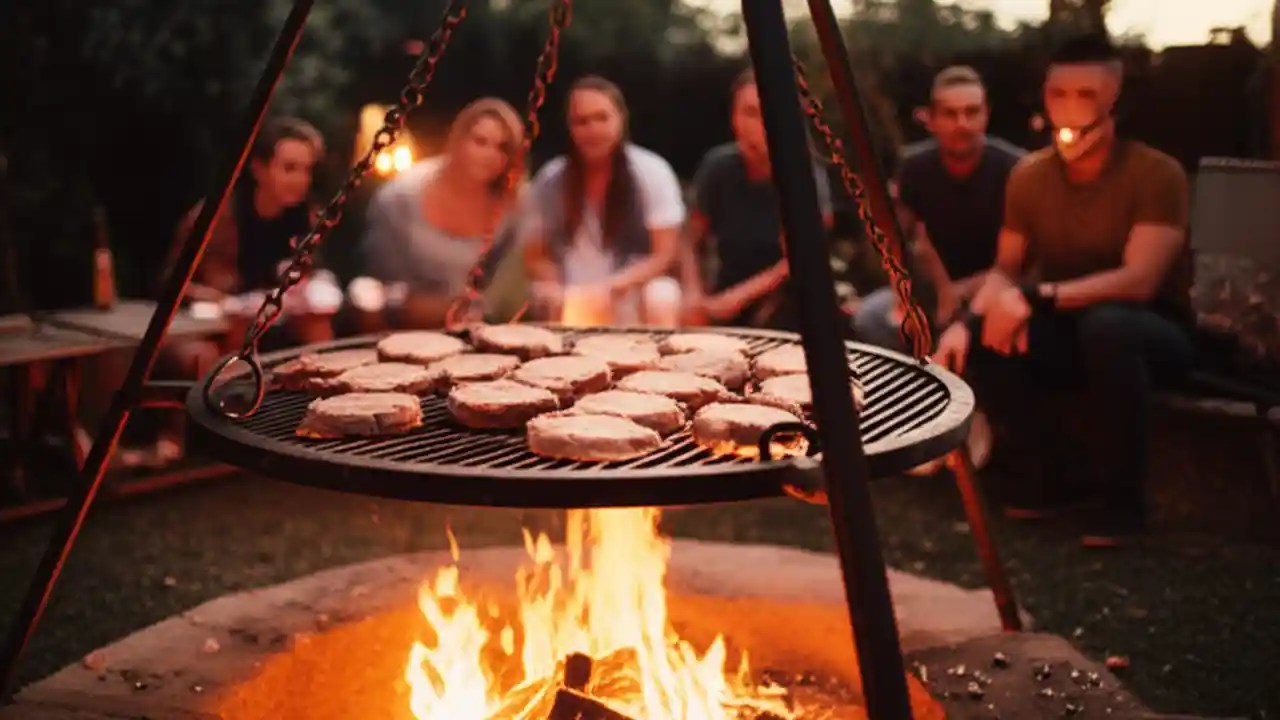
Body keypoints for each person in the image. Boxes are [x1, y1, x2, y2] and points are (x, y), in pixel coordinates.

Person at [932, 34, 1194, 547]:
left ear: (1116, 99)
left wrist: (1034, 298)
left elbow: (1139, 282)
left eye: (1088, 96)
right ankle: (1044, 478)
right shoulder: (1029, 177)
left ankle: (1123, 504)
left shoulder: (1157, 174)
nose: (1071, 109)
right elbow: (1006, 270)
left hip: (1153, 332)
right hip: (1071, 326)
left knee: (1108, 327)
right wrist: (963, 326)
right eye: (1059, 94)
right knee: (991, 331)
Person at [152, 116, 327, 463]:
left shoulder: (306, 217)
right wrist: (219, 299)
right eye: (289, 168)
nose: (300, 180)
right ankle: (213, 443)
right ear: (259, 168)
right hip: (221, 324)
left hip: (271, 319)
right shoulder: (218, 215)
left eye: (306, 170)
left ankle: (316, 424)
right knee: (210, 352)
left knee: (319, 327)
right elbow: (171, 284)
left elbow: (309, 274)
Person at [854, 65, 1024, 350]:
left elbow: (1026, 261)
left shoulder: (1015, 168)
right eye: (950, 113)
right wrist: (907, 292)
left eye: (972, 112)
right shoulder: (914, 167)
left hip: (997, 287)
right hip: (930, 290)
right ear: (931, 119)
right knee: (870, 318)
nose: (962, 124)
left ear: (986, 114)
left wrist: (962, 291)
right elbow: (896, 243)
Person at [521, 76, 685, 326]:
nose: (593, 130)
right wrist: (556, 286)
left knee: (661, 295)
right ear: (570, 127)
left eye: (602, 118)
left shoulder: (652, 171)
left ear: (621, 119)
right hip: (571, 291)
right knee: (541, 294)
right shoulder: (551, 179)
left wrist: (613, 287)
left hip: (630, 291)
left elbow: (664, 254)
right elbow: (535, 254)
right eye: (582, 121)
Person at [680, 68, 834, 330]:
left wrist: (737, 299)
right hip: (727, 285)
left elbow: (798, 260)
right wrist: (693, 293)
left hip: (787, 296)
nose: (759, 126)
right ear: (734, 118)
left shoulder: (805, 177)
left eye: (770, 114)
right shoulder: (718, 167)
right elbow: (690, 241)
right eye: (749, 113)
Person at [361, 98, 527, 328]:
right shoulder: (402, 195)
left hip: (474, 330)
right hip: (400, 326)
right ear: (458, 139)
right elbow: (375, 283)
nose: (489, 154)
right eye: (480, 142)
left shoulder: (513, 206)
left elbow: (503, 286)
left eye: (502, 147)